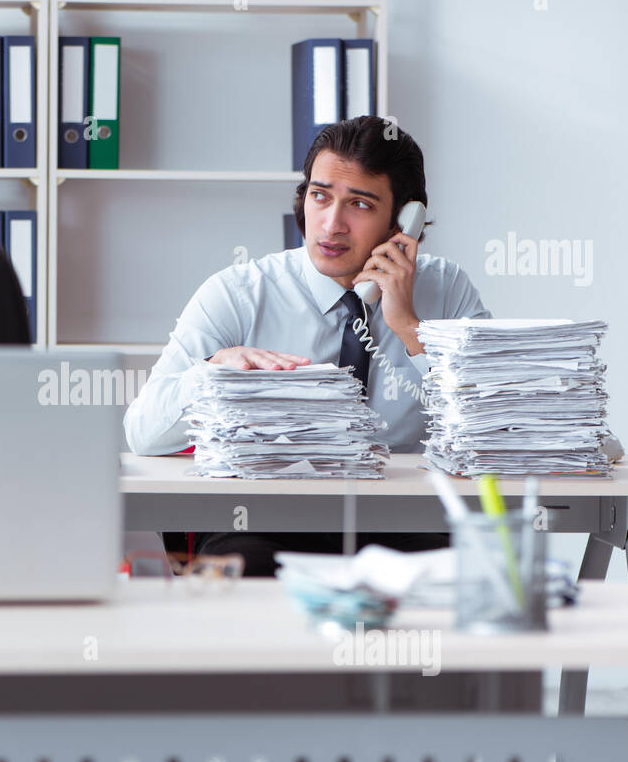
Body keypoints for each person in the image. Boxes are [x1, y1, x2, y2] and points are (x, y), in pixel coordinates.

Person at [123, 115, 492, 576]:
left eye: (359, 204)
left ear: (405, 222)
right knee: (250, 576)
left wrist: (408, 328)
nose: (331, 224)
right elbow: (142, 432)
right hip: (261, 518)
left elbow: (493, 431)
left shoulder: (446, 289)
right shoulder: (238, 293)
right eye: (320, 196)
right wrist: (214, 375)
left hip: (403, 519)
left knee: (465, 580)